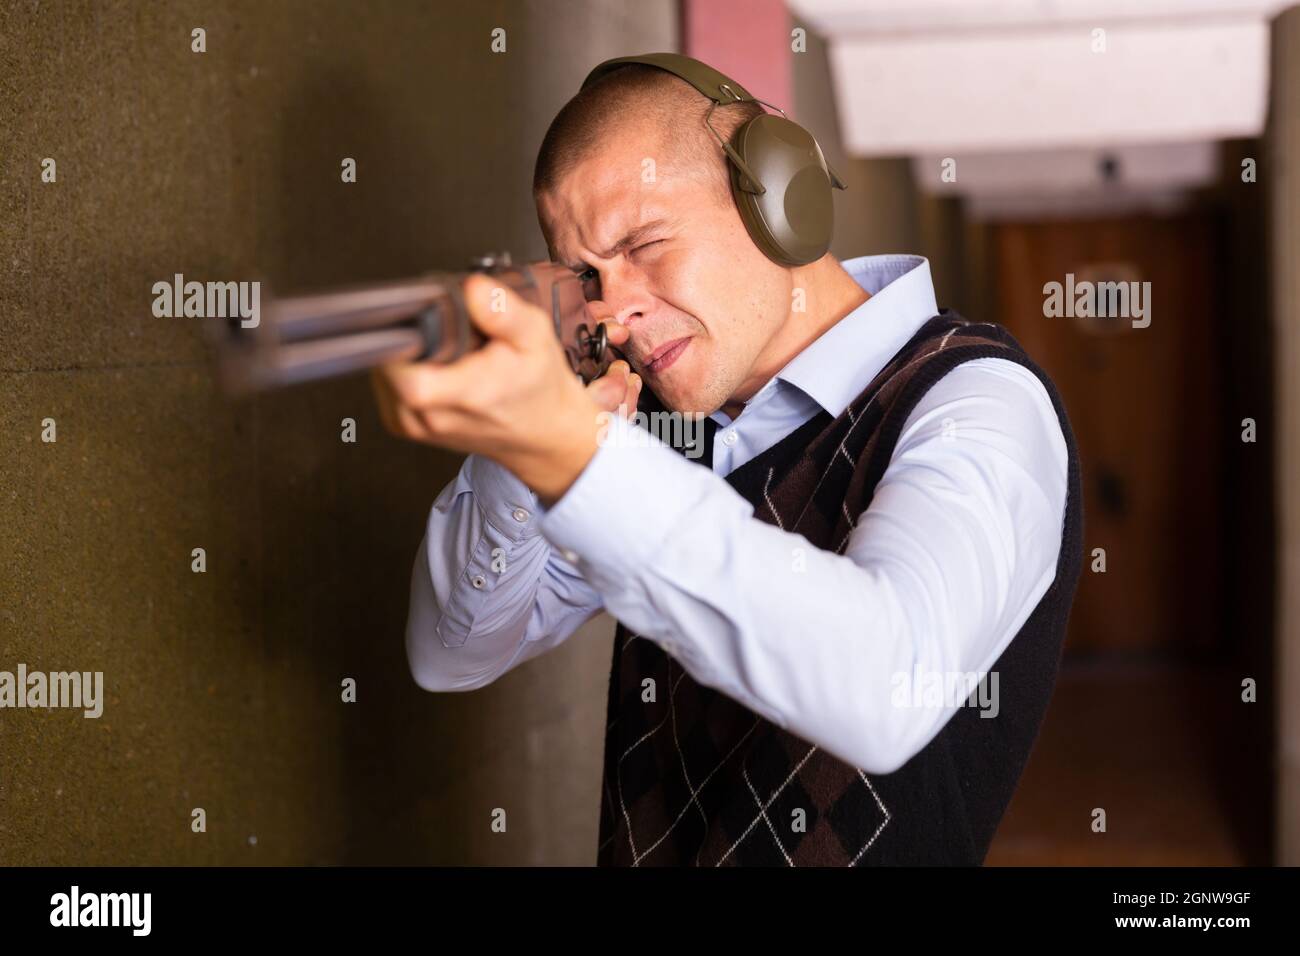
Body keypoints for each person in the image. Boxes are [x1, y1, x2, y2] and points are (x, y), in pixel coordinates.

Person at [370, 53, 1083, 866]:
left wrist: (568, 454)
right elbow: (451, 656)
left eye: (645, 242)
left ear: (778, 197)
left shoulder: (977, 403)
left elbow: (888, 683)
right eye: (587, 276)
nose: (617, 308)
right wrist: (517, 451)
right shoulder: (651, 429)